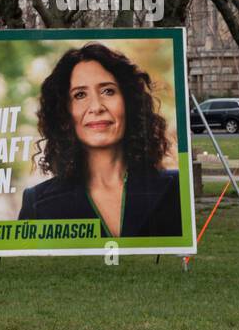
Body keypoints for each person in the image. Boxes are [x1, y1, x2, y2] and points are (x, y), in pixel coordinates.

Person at [19, 43, 181, 238]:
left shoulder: (175, 188)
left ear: (128, 102)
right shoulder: (37, 203)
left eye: (108, 91)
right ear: (64, 113)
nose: (96, 107)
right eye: (79, 95)